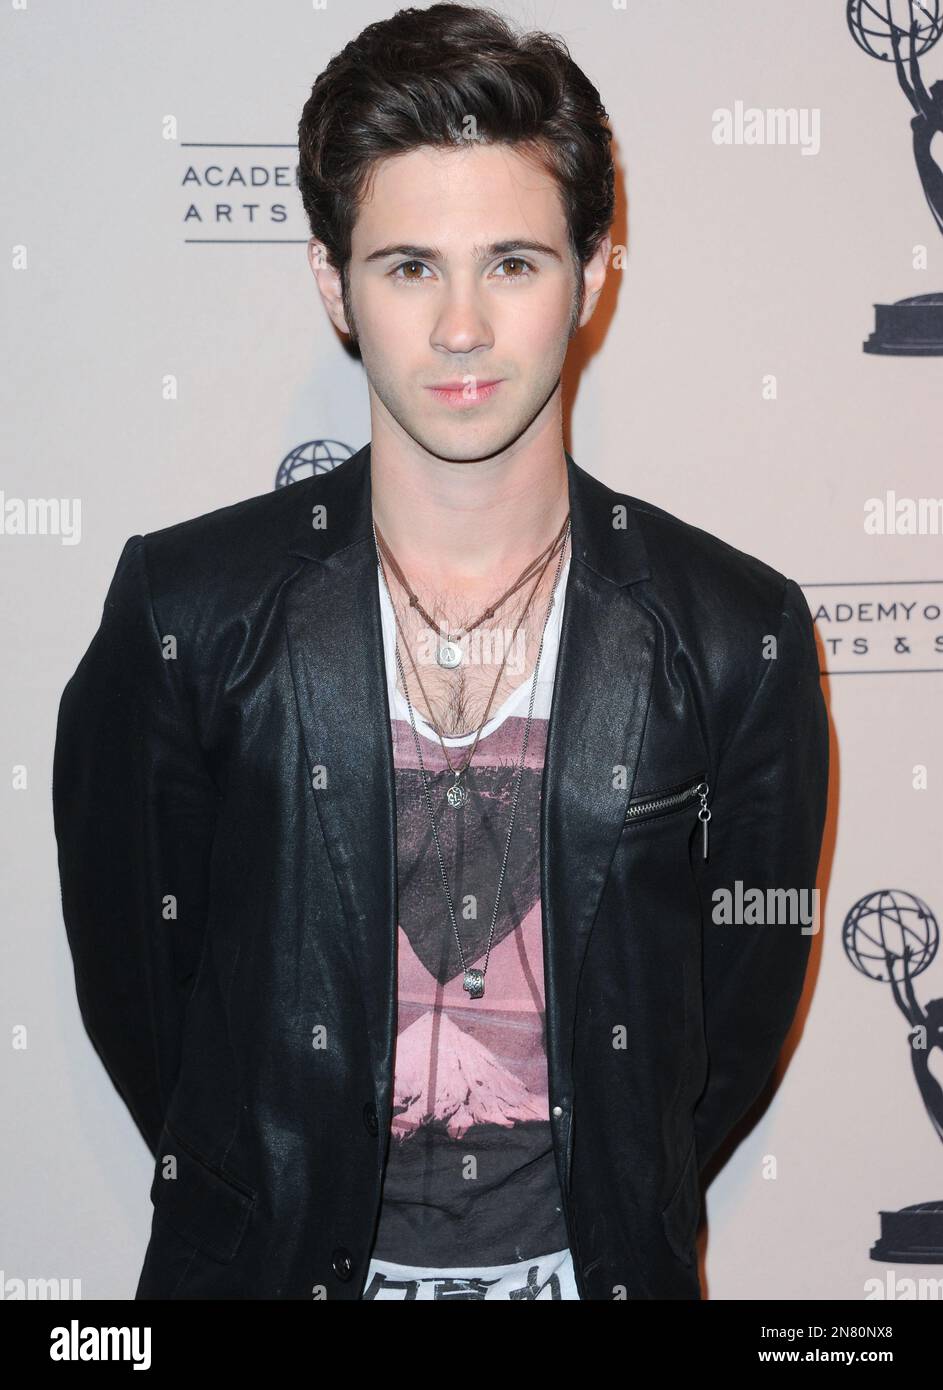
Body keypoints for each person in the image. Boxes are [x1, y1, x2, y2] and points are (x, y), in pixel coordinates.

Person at [52, 3, 829, 1301]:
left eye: (512, 263)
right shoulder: (185, 611)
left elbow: (728, 1021)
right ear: (332, 284)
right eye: (410, 266)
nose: (461, 326)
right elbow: (147, 991)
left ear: (590, 275)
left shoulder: (728, 633)